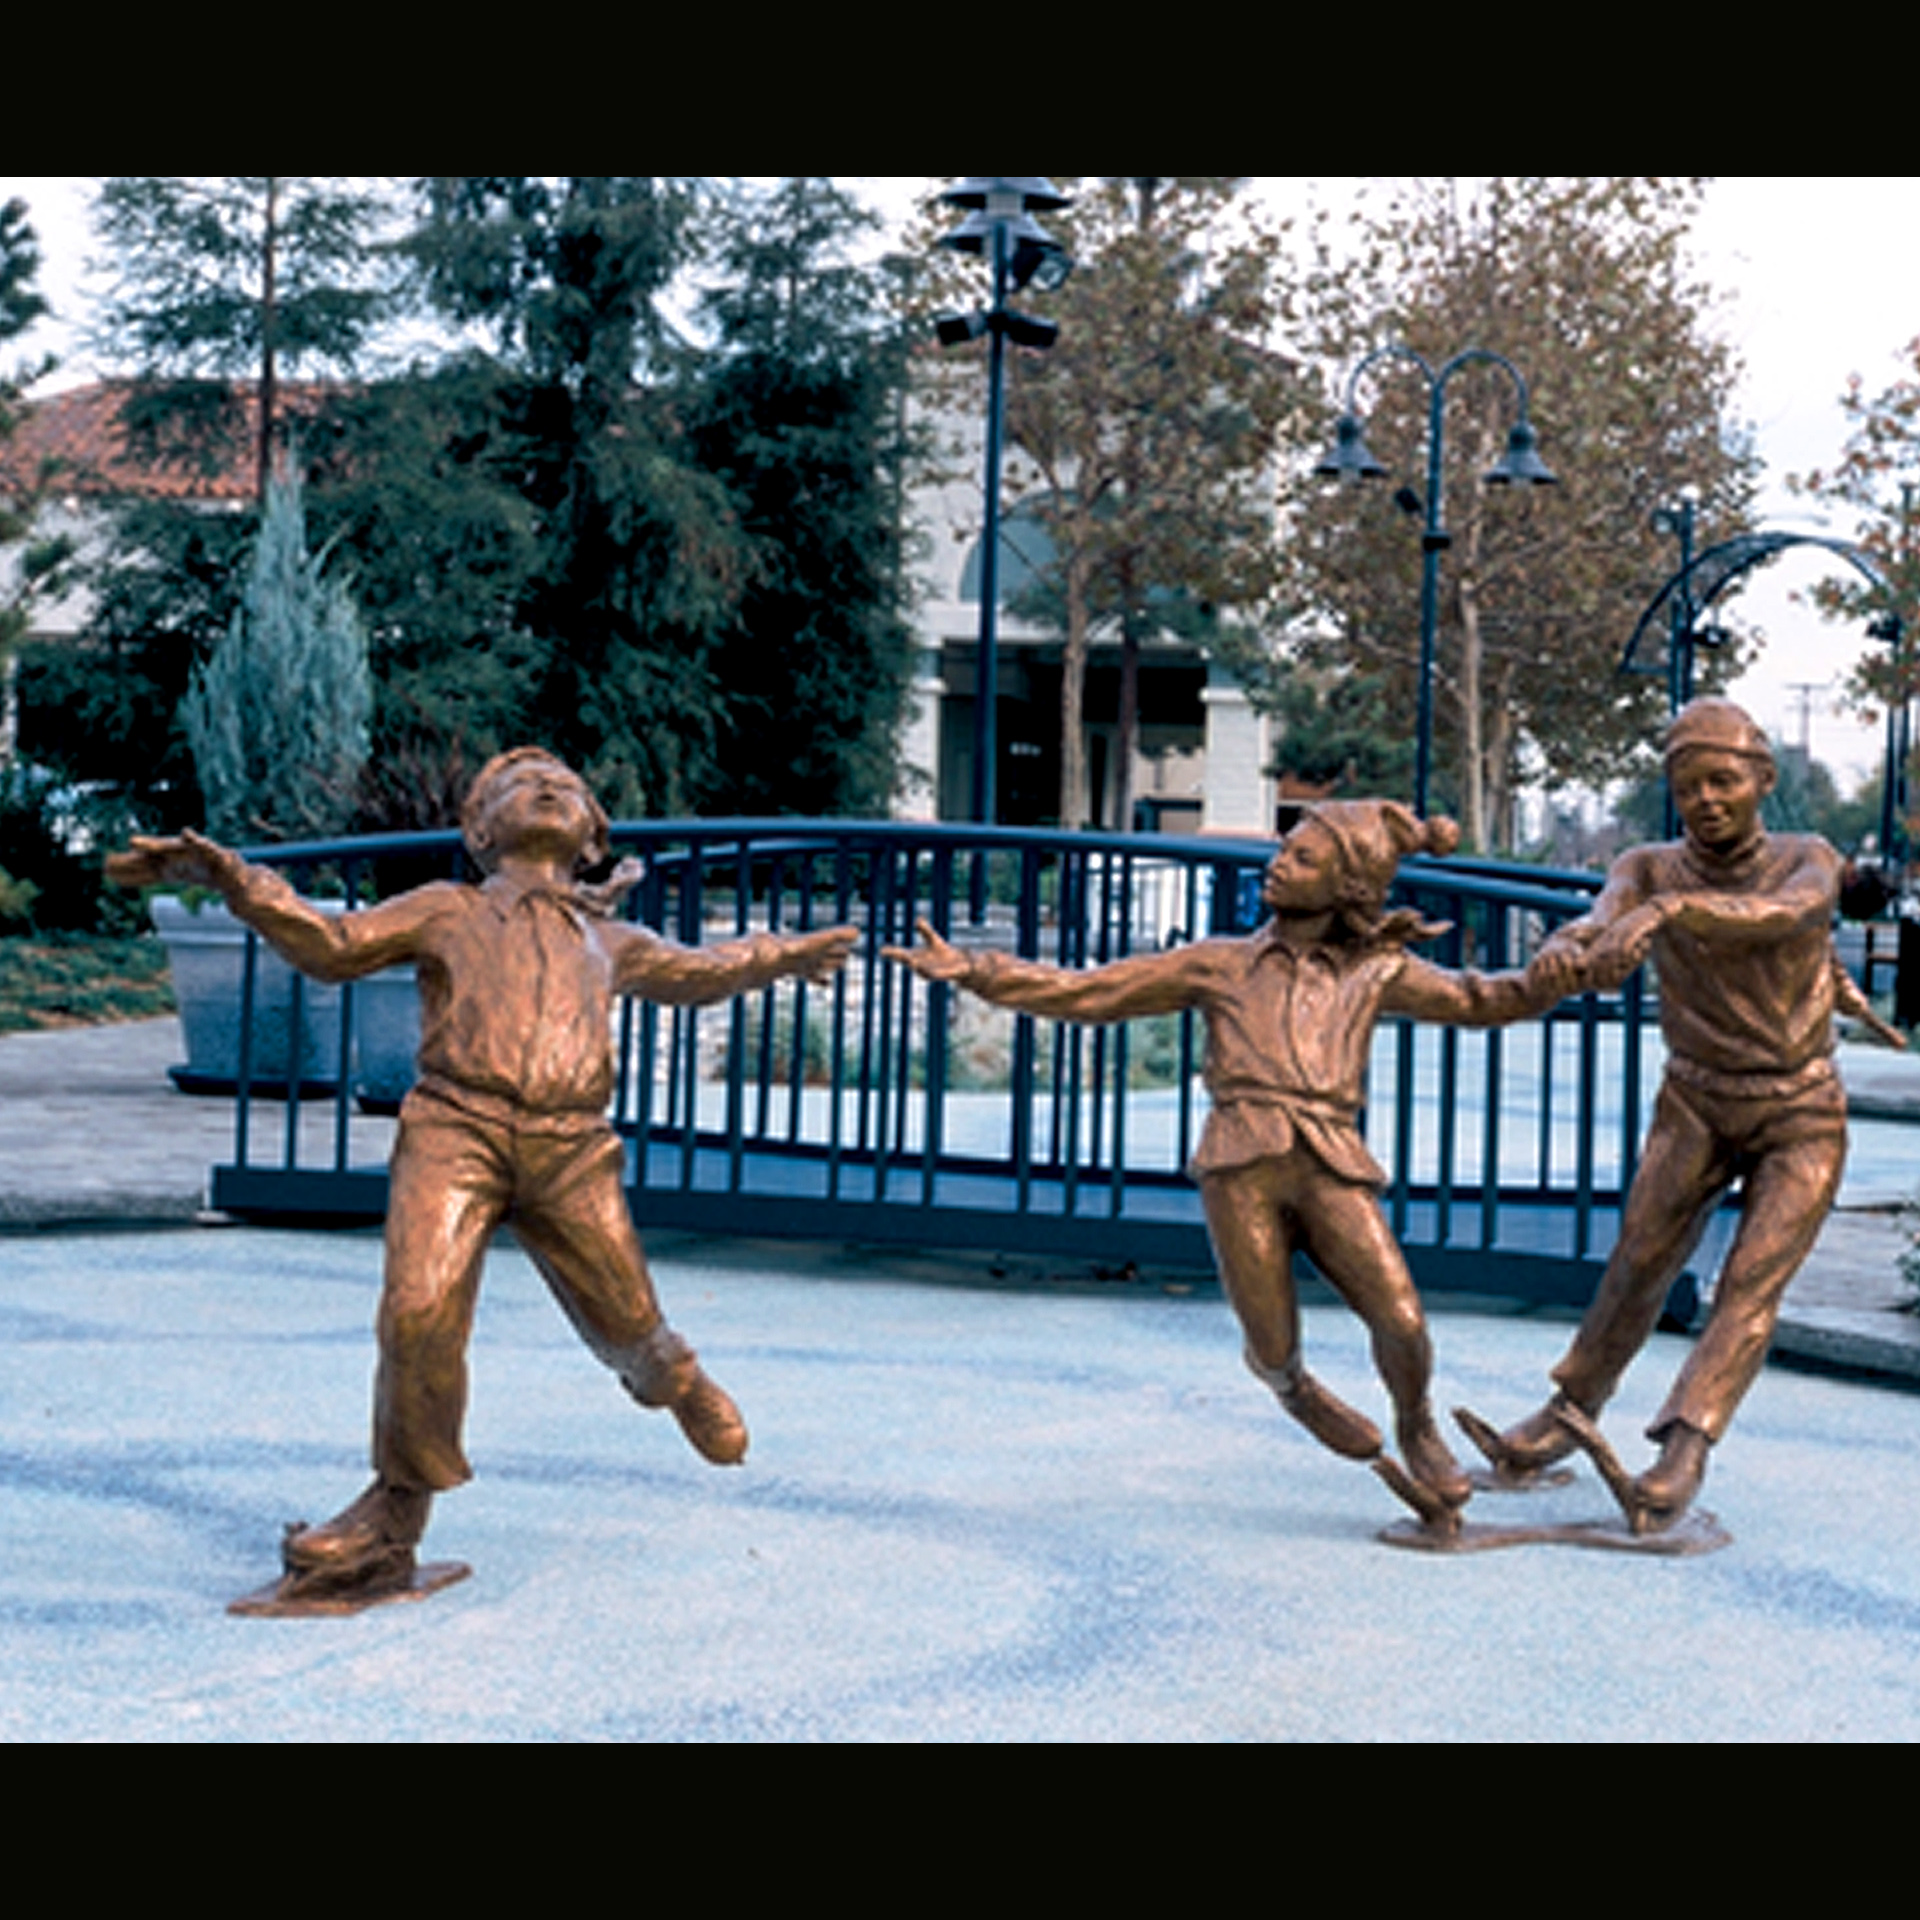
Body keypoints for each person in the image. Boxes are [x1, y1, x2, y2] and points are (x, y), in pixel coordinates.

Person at [110, 748, 857, 1603]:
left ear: (590, 842)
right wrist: (238, 879)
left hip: (571, 1149)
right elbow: (334, 944)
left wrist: (782, 956)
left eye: (567, 790)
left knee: (626, 1324)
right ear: (479, 830)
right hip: (455, 1129)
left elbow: (701, 972)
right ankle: (395, 1513)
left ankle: (673, 1379)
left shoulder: (608, 938)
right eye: (517, 786)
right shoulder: (446, 910)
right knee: (417, 1312)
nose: (546, 789)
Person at [888, 799, 1579, 1521]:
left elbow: (1478, 997)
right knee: (1272, 1340)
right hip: (1240, 1167)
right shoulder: (1220, 963)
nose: (1279, 863)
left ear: (1348, 887)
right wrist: (975, 969)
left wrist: (1557, 975)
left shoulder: (1378, 971)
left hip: (1329, 1161)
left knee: (1402, 1317)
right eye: (1284, 850)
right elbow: (1093, 991)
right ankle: (1293, 1387)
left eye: (1304, 858)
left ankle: (1417, 1422)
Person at [1469, 698, 1892, 1531]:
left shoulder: (1806, 858)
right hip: (1696, 1099)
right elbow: (1602, 917)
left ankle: (1686, 1443)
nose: (1704, 799)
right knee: (1637, 1257)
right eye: (1688, 785)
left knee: (1750, 1280)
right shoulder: (1647, 866)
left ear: (1761, 781)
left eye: (1723, 781)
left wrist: (1669, 913)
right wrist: (1572, 946)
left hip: (1799, 1108)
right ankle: (1568, 1411)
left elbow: (1784, 916)